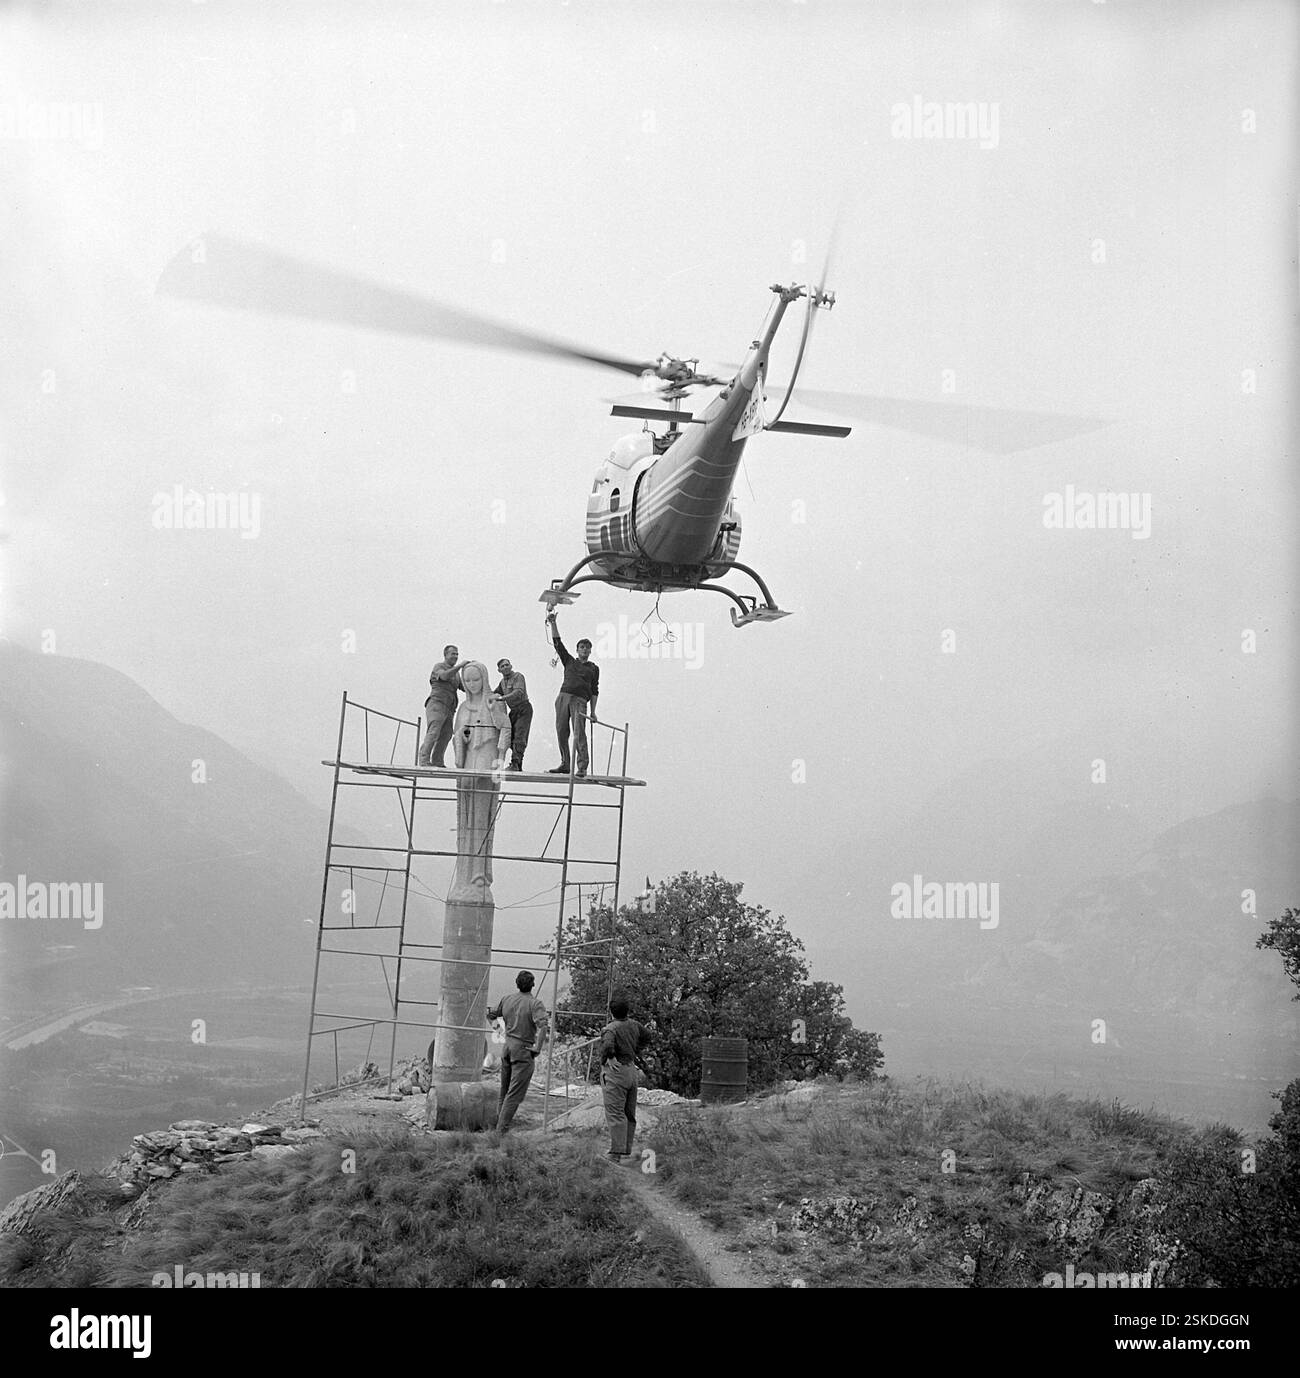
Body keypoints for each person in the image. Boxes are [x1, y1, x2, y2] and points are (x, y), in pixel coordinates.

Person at [486, 970, 549, 1134]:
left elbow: (490, 1015)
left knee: (504, 1091)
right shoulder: (535, 1004)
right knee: (514, 1094)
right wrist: (538, 1048)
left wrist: (499, 1031)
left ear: (517, 983)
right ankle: (501, 1131)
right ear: (533, 984)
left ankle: (499, 1127)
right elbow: (543, 1027)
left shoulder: (507, 999)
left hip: (507, 1048)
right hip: (523, 1050)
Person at [545, 611, 599, 778]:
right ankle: (565, 763)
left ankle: (582, 766)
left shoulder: (593, 668)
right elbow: (557, 644)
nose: (584, 649)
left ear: (590, 651)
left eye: (587, 647)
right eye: (582, 647)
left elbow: (594, 690)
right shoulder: (569, 661)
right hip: (563, 696)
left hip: (580, 700)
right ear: (577, 650)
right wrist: (553, 623)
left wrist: (593, 711)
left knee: (579, 732)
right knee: (561, 730)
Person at [599, 989, 650, 1164]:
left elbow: (607, 1046)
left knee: (615, 1112)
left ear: (611, 1012)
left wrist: (611, 1057)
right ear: (627, 1011)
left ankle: (616, 1153)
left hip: (616, 1072)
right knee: (629, 1112)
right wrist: (636, 1050)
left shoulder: (610, 1029)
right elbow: (647, 1036)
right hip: (631, 1070)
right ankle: (625, 1148)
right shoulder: (634, 1025)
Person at [418, 644, 465, 767]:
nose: (455, 656)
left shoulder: (456, 674)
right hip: (437, 704)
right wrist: (460, 666)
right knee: (434, 731)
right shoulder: (439, 667)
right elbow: (444, 676)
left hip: (449, 708)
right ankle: (424, 759)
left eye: (457, 654)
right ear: (445, 655)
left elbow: (464, 688)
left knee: (447, 734)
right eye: (453, 654)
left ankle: (437, 760)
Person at [493, 658, 532, 772]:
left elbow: (518, 692)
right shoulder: (502, 683)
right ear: (499, 670)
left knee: (520, 736)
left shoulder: (518, 677)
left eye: (507, 665)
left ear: (511, 666)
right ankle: (518, 764)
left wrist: (502, 698)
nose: (505, 667)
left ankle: (515, 763)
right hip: (514, 711)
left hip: (523, 708)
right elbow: (494, 693)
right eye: (502, 666)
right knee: (510, 737)